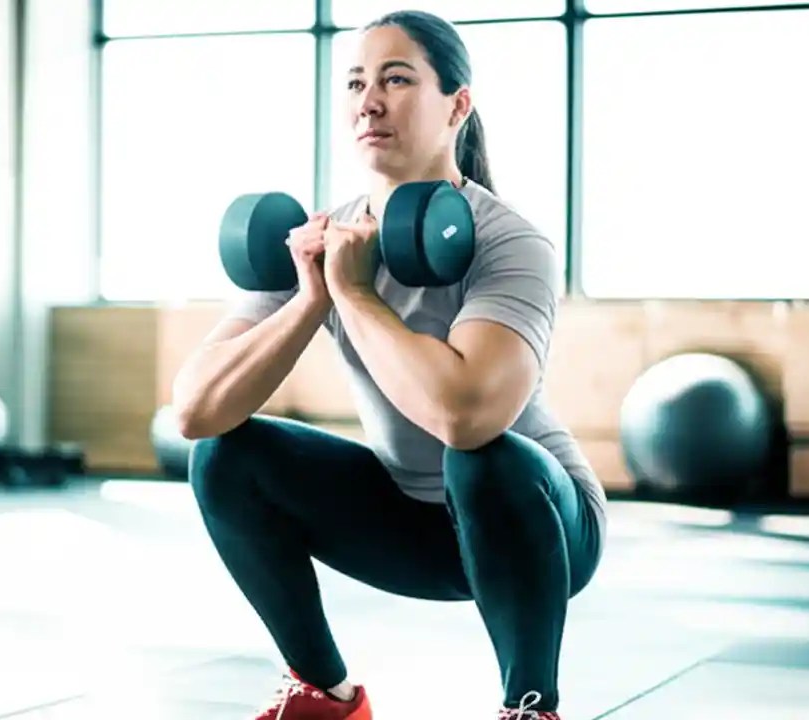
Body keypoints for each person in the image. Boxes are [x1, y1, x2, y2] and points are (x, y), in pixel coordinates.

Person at [170, 10, 606, 720]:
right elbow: (194, 409)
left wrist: (353, 292)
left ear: (457, 105)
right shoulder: (324, 240)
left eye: (396, 79)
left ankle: (531, 705)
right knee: (224, 455)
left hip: (542, 530)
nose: (368, 101)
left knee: (482, 456)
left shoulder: (510, 242)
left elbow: (467, 415)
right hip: (410, 525)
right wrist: (311, 296)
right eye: (355, 82)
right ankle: (326, 695)